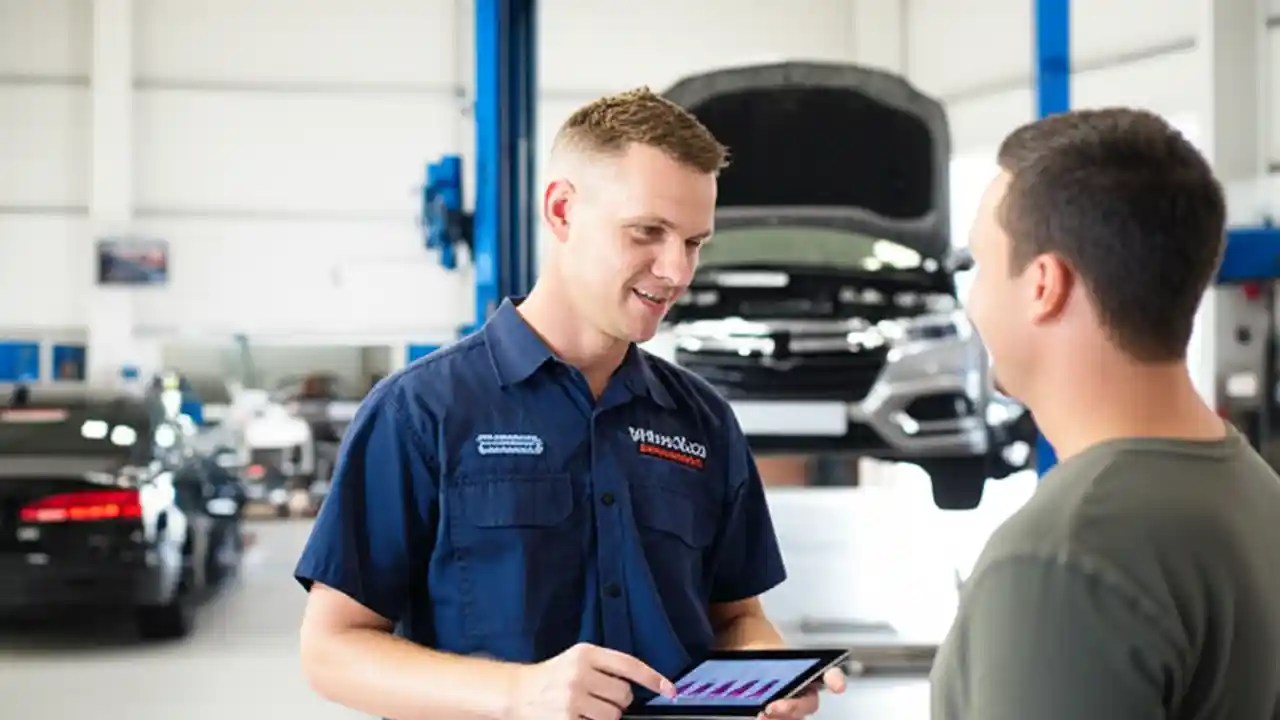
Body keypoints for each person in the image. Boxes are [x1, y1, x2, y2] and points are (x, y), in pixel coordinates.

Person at [294, 87, 845, 720]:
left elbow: (738, 615)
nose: (677, 271)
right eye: (647, 232)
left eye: (694, 242)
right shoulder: (420, 413)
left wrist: (765, 668)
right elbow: (331, 648)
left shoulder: (702, 422)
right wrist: (517, 695)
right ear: (561, 211)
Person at [931, 107, 1280, 718]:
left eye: (982, 267)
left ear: (1044, 285)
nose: (975, 300)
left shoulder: (1062, 558)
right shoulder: (1254, 492)